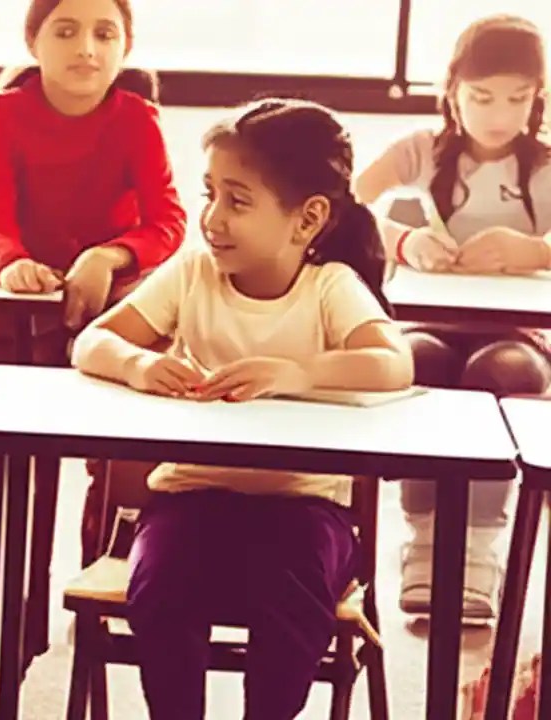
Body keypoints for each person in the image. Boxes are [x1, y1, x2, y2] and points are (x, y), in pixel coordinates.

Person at [72, 98, 413, 718]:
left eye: (238, 200)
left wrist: (299, 372)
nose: (213, 218)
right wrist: (139, 364)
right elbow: (92, 340)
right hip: (190, 496)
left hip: (306, 505)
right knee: (162, 587)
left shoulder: (328, 287)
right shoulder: (193, 275)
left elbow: (394, 362)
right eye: (210, 194)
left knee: (292, 590)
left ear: (306, 219)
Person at [0, 0, 186, 565]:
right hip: (29, 299)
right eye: (65, 32)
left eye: (104, 34)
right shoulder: (1, 114)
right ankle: (16, 581)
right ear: (34, 42)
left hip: (117, 300)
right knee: (16, 444)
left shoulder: (137, 117)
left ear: (124, 48)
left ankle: (104, 569)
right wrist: (10, 261)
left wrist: (110, 255)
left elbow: (168, 222)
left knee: (119, 450)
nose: (86, 48)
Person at [355, 14, 551, 619]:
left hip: (518, 335)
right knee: (417, 365)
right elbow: (338, 208)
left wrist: (535, 251)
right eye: (482, 95)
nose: (499, 114)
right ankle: (426, 540)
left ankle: (476, 550)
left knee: (505, 374)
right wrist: (404, 242)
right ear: (453, 92)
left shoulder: (544, 168)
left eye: (518, 98)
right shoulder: (420, 152)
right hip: (431, 323)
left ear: (537, 100)